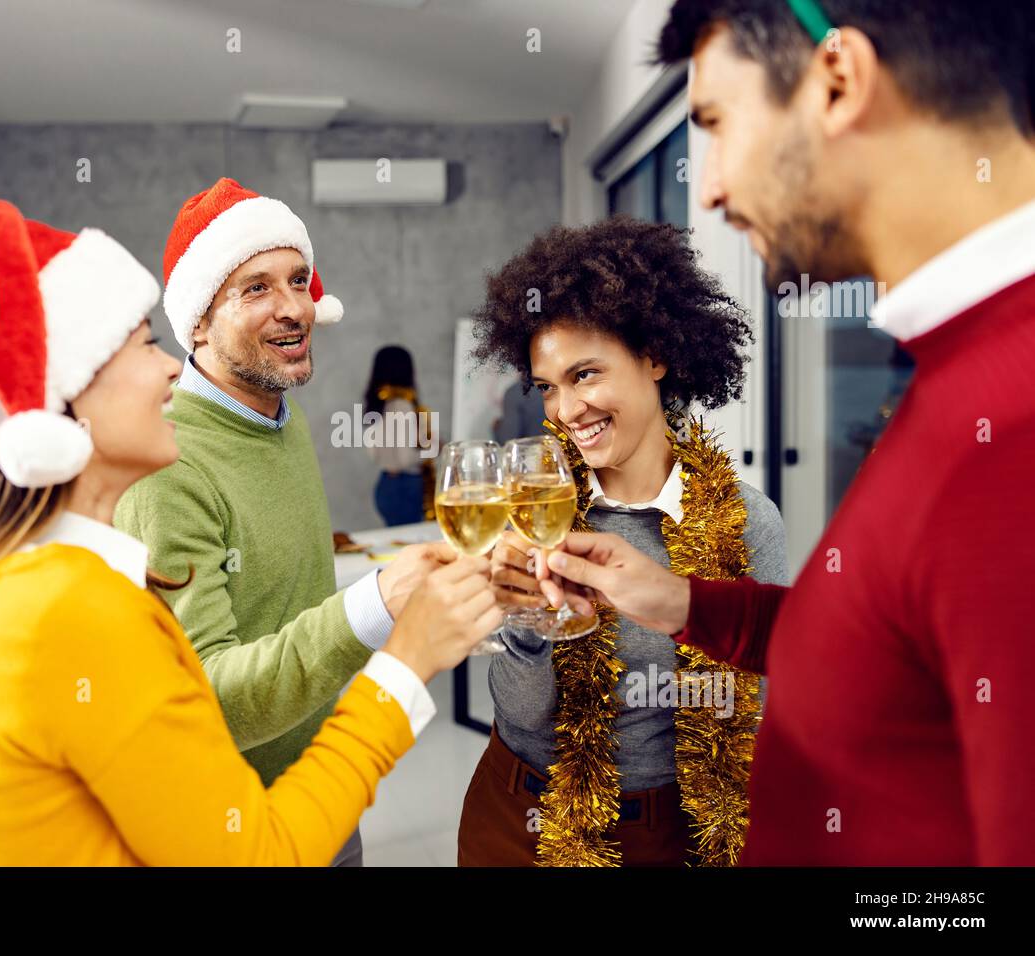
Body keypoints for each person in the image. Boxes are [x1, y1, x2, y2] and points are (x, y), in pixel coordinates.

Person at [0, 185, 501, 866]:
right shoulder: (65, 610)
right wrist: (407, 661)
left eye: (298, 280)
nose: (170, 367)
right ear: (73, 395)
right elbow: (255, 848)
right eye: (145, 345)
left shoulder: (52, 584)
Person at [536, 0, 1035, 865]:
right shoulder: (961, 369)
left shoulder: (1012, 423)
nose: (715, 187)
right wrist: (683, 601)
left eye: (719, 126)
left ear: (840, 82)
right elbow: (898, 652)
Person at [114, 179, 448, 866]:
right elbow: (208, 700)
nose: (294, 306)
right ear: (198, 323)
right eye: (256, 288)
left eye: (298, 279)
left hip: (320, 785)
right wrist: (375, 605)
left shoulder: (277, 414)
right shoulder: (169, 463)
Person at [459, 216, 787, 867]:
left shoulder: (748, 521)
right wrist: (527, 617)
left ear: (655, 355)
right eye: (547, 387)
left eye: (585, 375)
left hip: (671, 835)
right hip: (521, 819)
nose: (564, 410)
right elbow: (523, 719)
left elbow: (767, 704)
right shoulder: (534, 508)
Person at [363, 344, 435, 526]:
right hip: (406, 487)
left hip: (386, 483)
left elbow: (373, 453)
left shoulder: (378, 405)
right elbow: (405, 459)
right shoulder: (403, 406)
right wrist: (432, 448)